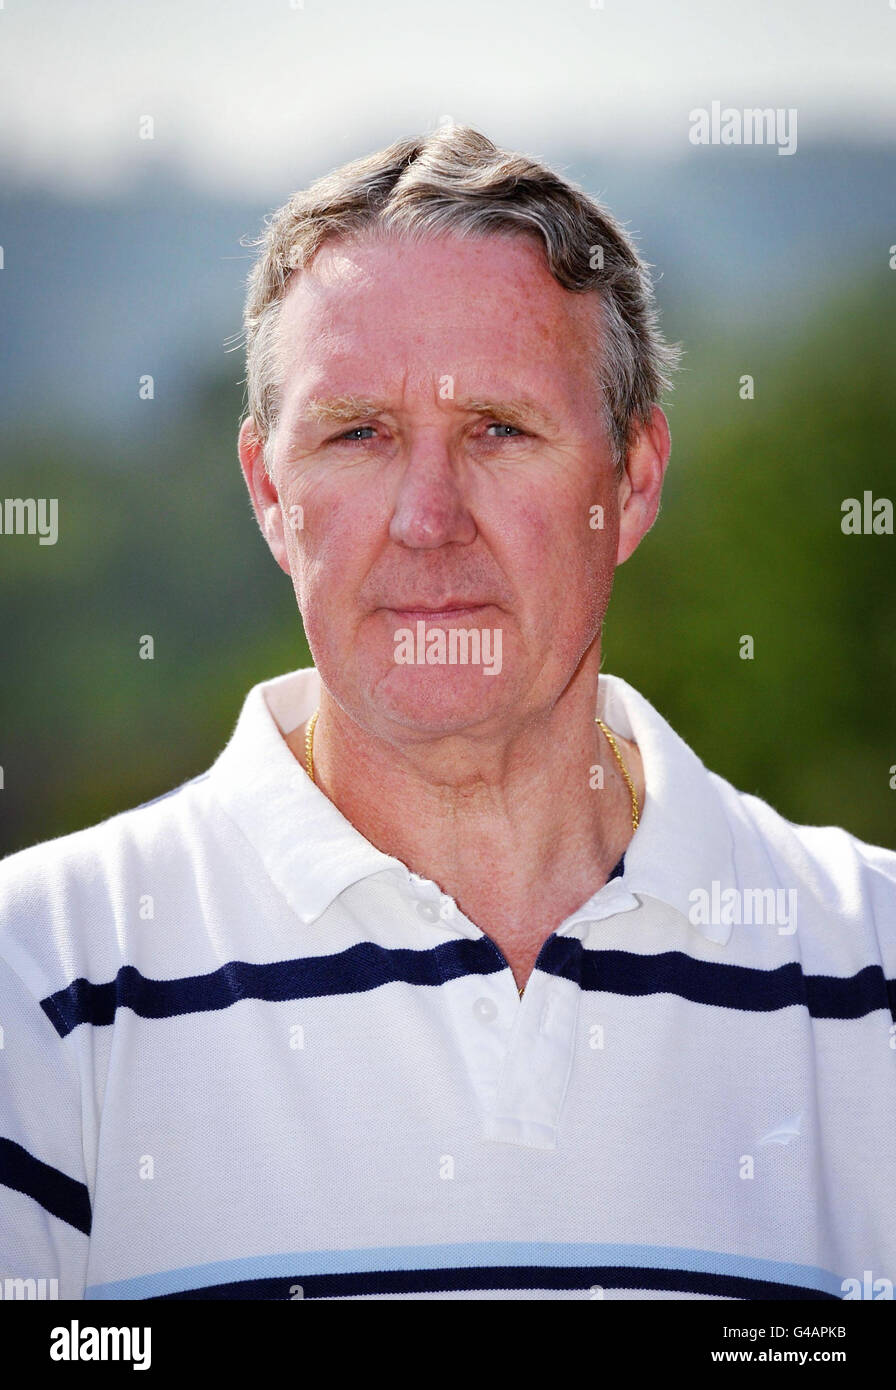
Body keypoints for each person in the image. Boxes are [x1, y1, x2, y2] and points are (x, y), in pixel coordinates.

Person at [1, 125, 894, 1302]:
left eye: (498, 430)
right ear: (271, 493)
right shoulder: (35, 983)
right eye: (358, 434)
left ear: (629, 482)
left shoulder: (871, 965)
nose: (429, 518)